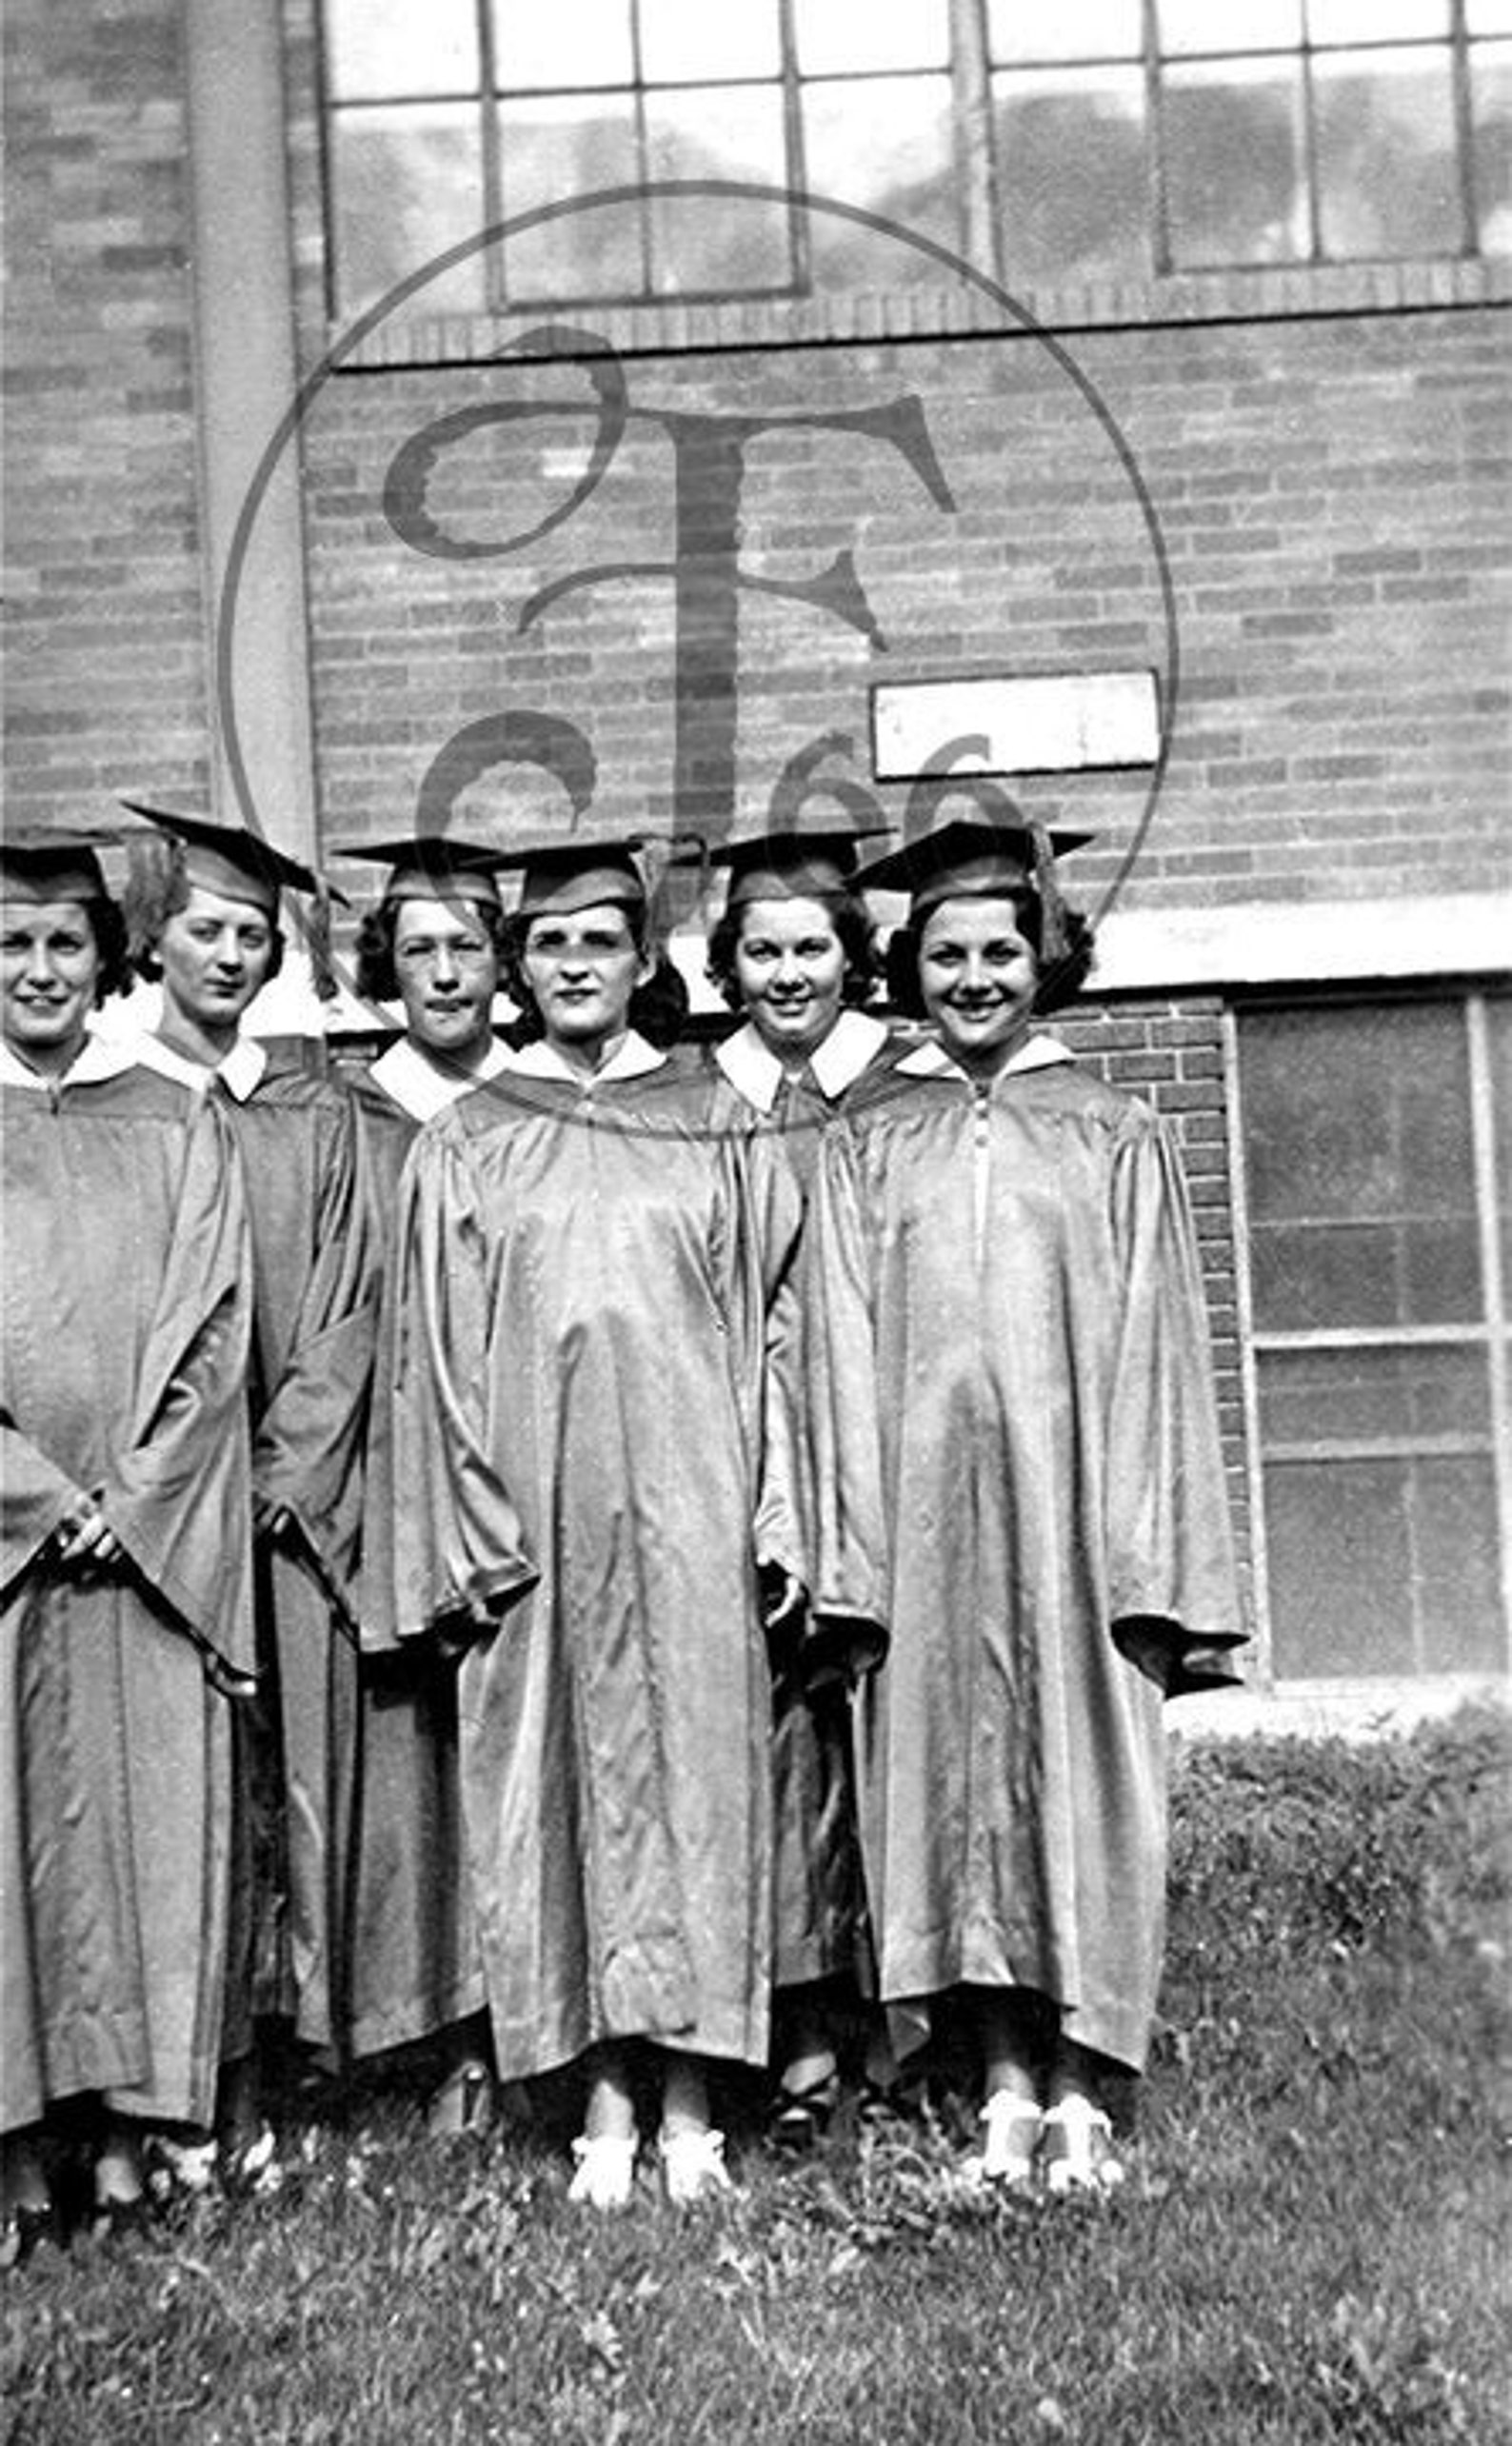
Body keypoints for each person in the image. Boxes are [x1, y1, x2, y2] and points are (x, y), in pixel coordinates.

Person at [804, 814, 1245, 2192]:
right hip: (929, 1526)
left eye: (1001, 947)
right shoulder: (868, 1141)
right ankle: (999, 2074)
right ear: (909, 965)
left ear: (1046, 955)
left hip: (1078, 1523)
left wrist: (1152, 1551)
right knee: (953, 1796)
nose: (976, 974)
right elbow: (831, 1347)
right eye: (946, 951)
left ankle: (1084, 2078)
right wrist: (850, 1551)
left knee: (1080, 1783)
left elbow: (1162, 1350)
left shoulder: (1113, 1130)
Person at [389, 836, 804, 2208]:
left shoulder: (718, 1118)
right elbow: (435, 1359)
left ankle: (691, 2103)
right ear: (521, 968)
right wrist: (470, 1524)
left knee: (694, 1798)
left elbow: (776, 1329)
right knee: (557, 1801)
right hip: (536, 1531)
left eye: (602, 945)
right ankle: (602, 2105)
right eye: (552, 946)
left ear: (644, 964)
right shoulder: (468, 1137)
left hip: (693, 1518)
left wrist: (775, 1511)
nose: (577, 966)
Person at [1, 828, 254, 2255]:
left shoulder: (173, 1118)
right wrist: (40, 1496)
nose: (39, 970)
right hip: (20, 1554)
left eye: (63, 945)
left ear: (110, 963)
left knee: (139, 1835)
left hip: (144, 1549)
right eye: (11, 946)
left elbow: (219, 1327)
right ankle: (17, 2144)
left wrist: (139, 1494)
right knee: (8, 1842)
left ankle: (118, 2130)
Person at [123, 804, 377, 2170]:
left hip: (281, 1512)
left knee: (303, 1780)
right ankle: (182, 2073)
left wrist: (285, 1469)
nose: (230, 950)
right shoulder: (113, 1113)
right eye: (208, 927)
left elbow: (343, 1305)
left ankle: (290, 2058)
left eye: (253, 934)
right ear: (154, 938)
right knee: (189, 1792)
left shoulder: (307, 1114)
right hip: (167, 1515)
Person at [704, 824, 891, 2144]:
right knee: (773, 1755)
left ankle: (898, 2017)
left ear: (851, 957)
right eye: (760, 949)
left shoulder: (899, 1095)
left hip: (879, 1461)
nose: (786, 973)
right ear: (727, 962)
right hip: (739, 1470)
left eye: (810, 947)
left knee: (883, 1742)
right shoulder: (695, 1105)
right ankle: (792, 2032)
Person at [337, 834, 512, 2129]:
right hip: (405, 1473)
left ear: (504, 960)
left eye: (466, 946)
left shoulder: (553, 1105)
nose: (444, 974)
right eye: (419, 952)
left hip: (528, 1471)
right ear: (384, 970)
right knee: (429, 1769)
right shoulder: (350, 1117)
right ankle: (453, 2031)